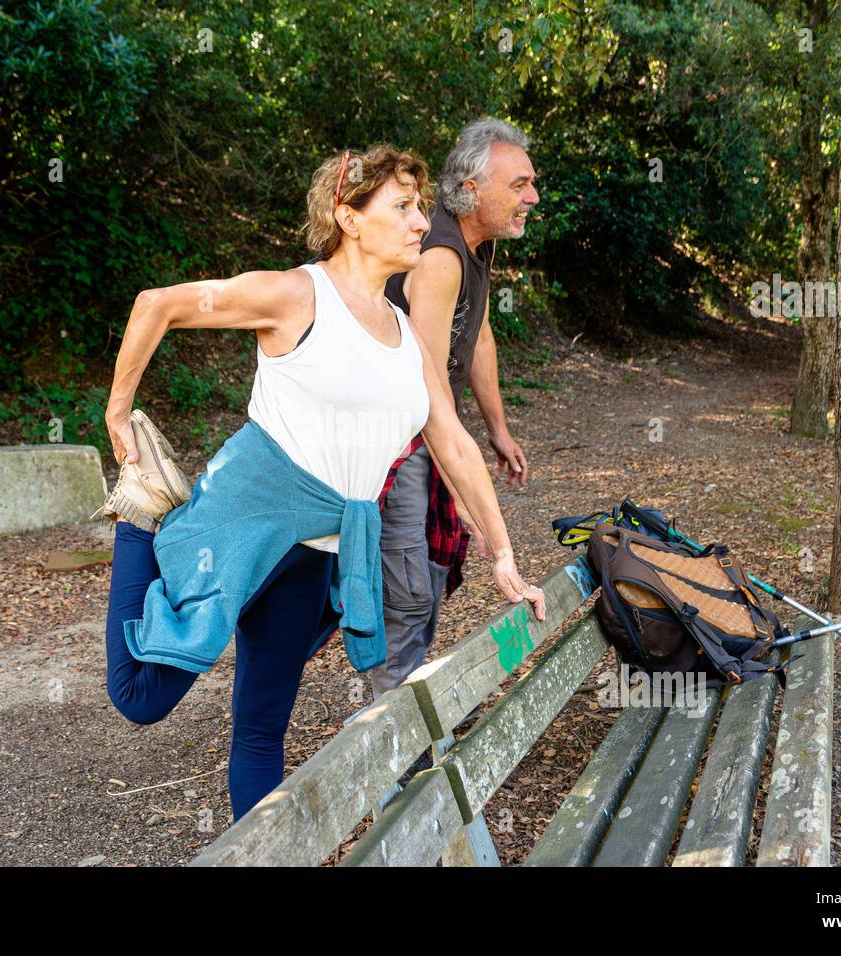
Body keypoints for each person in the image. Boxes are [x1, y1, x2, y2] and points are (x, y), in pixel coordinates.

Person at [98, 144, 547, 821]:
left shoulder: (404, 334)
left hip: (322, 547)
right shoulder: (295, 294)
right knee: (141, 696)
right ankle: (140, 522)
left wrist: (503, 557)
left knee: (261, 727)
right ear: (348, 216)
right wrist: (117, 414)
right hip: (245, 519)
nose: (422, 222)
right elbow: (156, 304)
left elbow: (451, 440)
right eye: (402, 206)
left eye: (421, 207)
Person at [369, 118, 541, 698]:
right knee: (412, 588)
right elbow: (428, 396)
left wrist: (497, 428)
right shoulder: (440, 256)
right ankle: (387, 731)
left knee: (433, 575)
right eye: (518, 185)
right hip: (394, 436)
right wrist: (466, 489)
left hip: (428, 427)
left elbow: (481, 336)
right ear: (471, 190)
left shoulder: (478, 244)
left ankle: (412, 707)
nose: (532, 197)